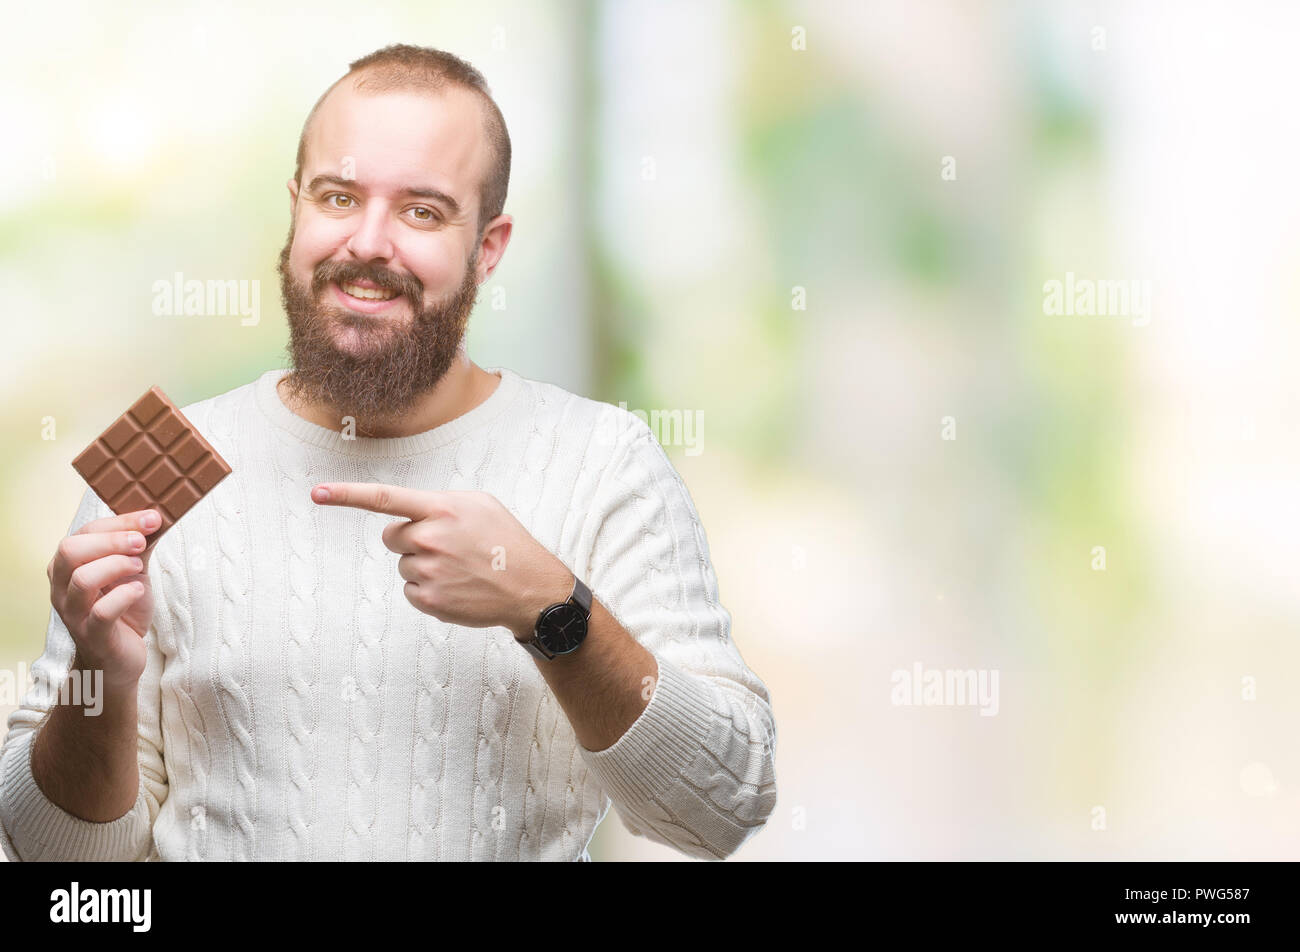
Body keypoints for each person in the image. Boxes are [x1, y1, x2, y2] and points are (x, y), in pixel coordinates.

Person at [0, 44, 777, 861]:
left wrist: (552, 609)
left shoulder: (601, 460)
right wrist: (99, 677)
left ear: (489, 246)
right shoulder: (162, 459)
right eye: (339, 197)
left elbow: (724, 807)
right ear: (296, 206)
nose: (368, 243)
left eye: (423, 211)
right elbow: (58, 862)